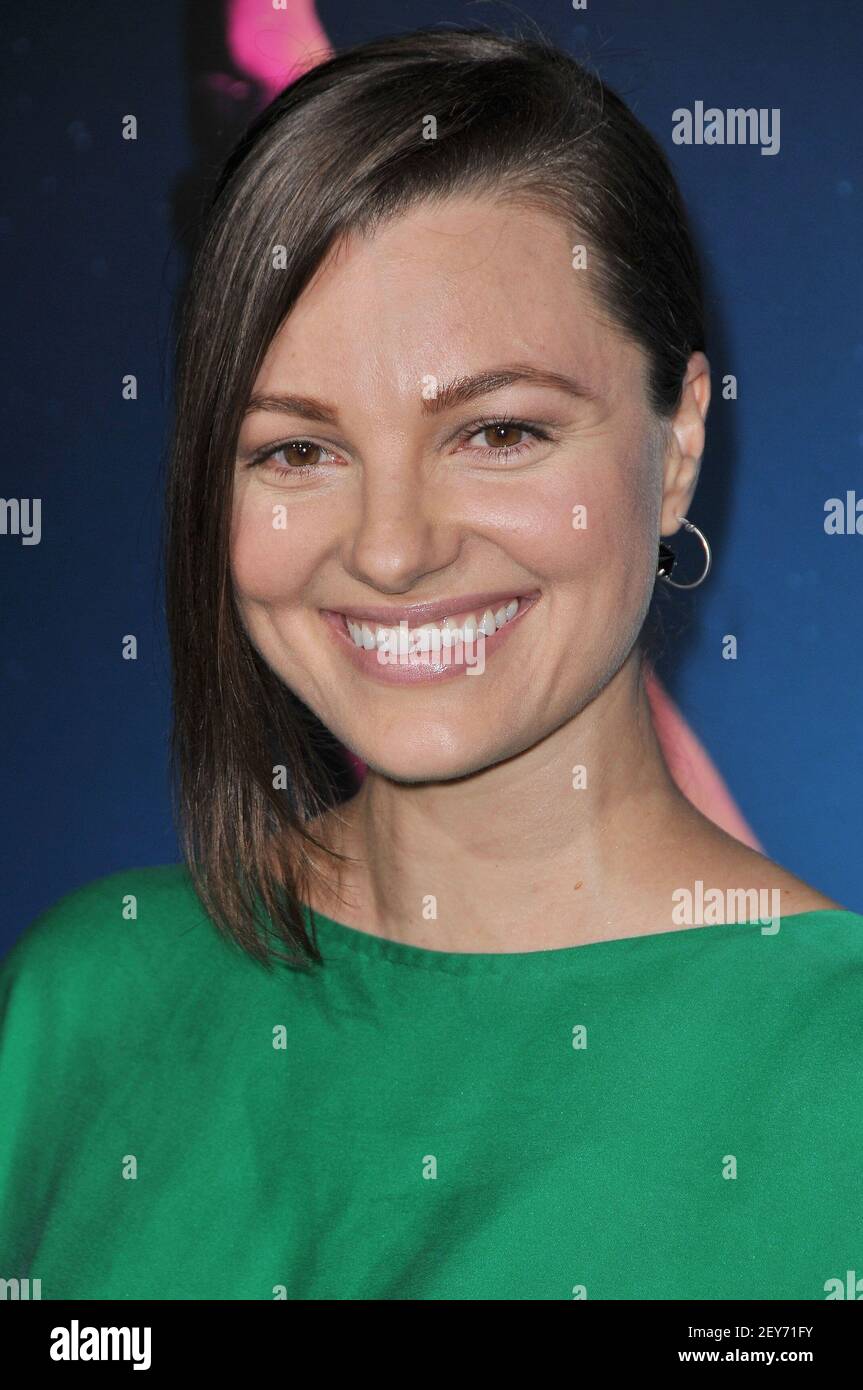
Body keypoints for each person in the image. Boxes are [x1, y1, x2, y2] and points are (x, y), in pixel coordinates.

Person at [1, 26, 861, 1302]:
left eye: (497, 430)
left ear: (675, 446)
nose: (392, 551)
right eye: (295, 449)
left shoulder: (831, 1072)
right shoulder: (75, 1005)